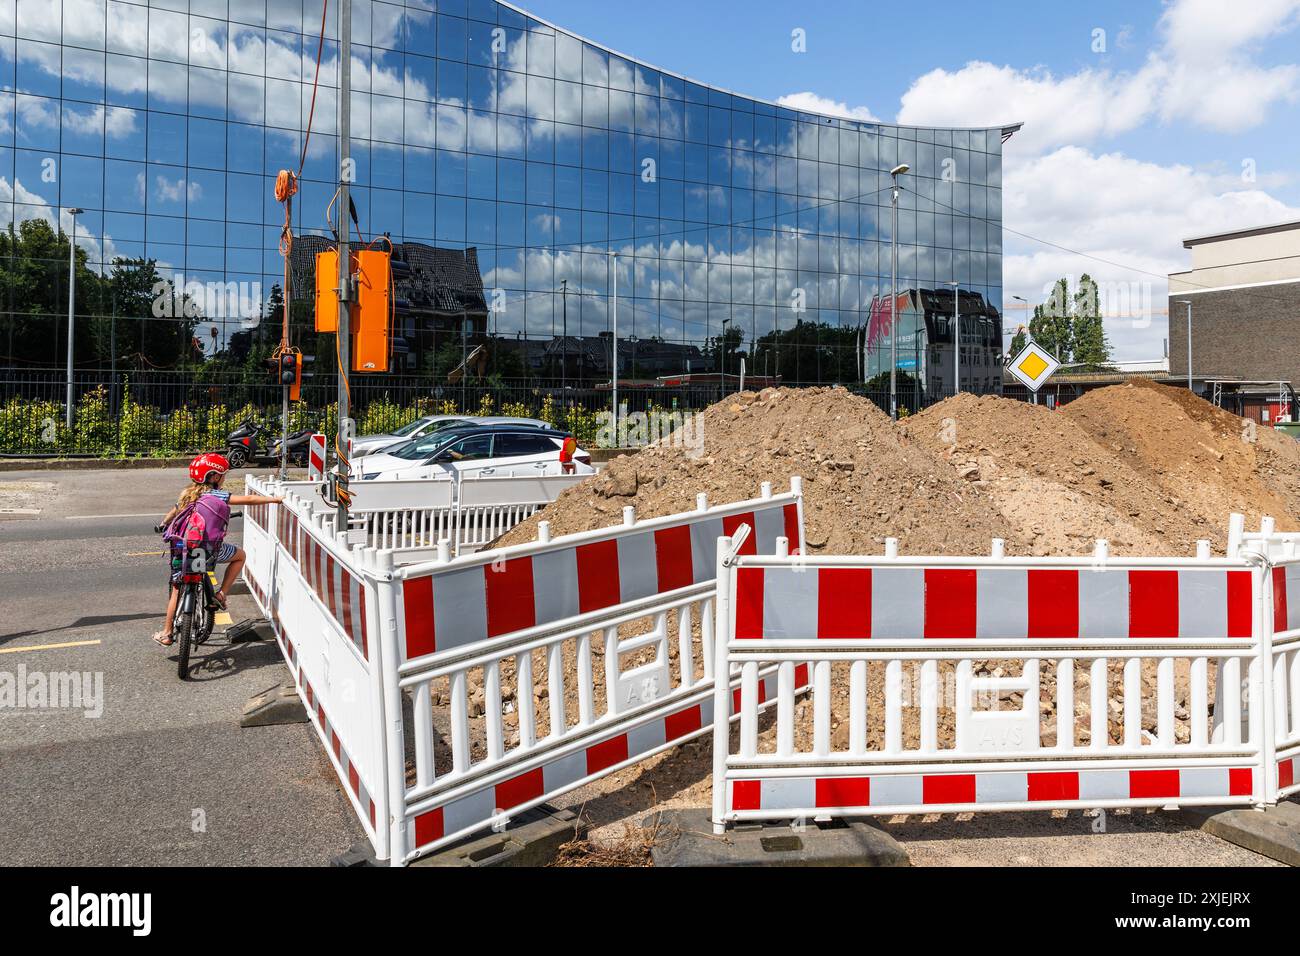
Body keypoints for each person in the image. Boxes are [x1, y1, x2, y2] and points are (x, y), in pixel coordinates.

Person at [153, 453, 283, 647]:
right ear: (214, 477)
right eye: (223, 475)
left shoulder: (187, 494)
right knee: (240, 556)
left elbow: (173, 512)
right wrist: (274, 500)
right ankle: (221, 593)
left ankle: (167, 632)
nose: (224, 478)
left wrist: (163, 525)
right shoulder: (218, 495)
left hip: (183, 549)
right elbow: (248, 499)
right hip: (209, 550)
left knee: (176, 590)